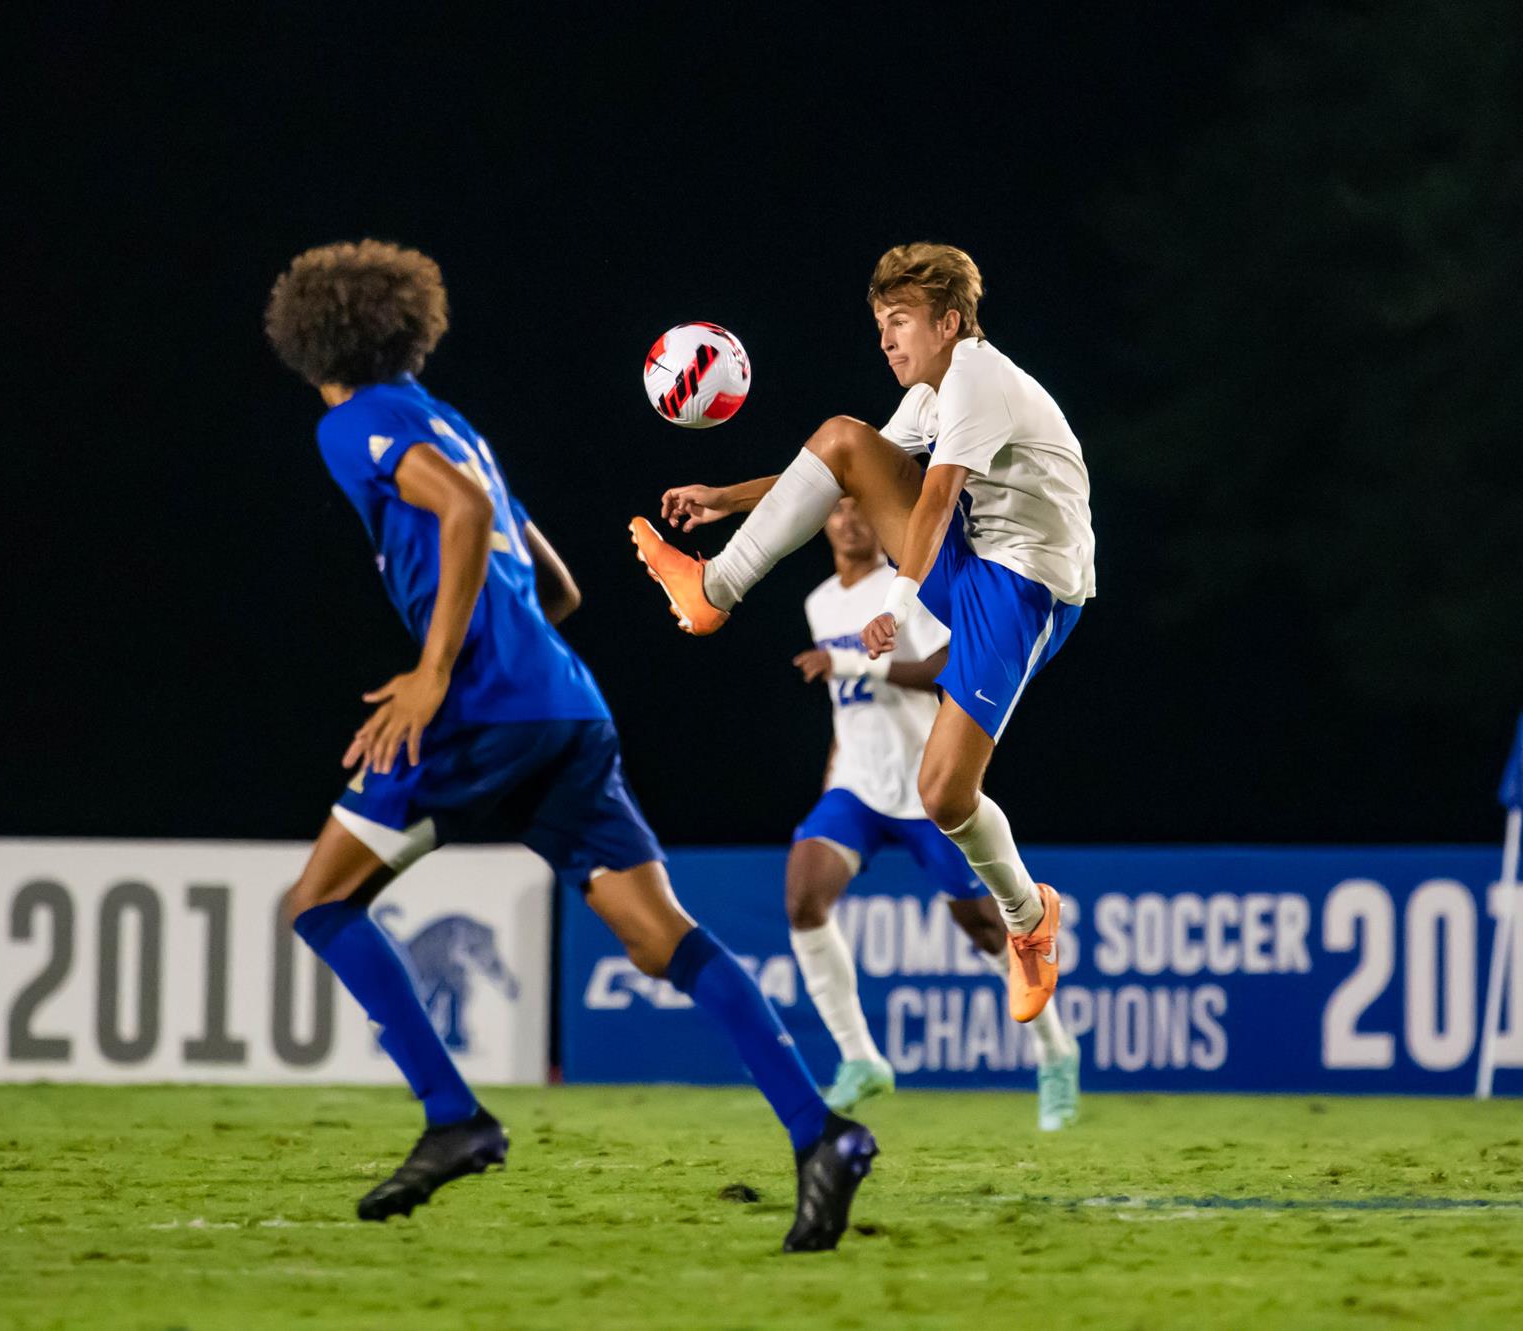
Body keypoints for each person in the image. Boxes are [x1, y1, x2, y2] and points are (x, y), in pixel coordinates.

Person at [264, 239, 872, 1250]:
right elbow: (556, 585)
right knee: (655, 932)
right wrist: (495, 643)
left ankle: (454, 1118)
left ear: (309, 335)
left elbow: (457, 516)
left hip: (478, 706)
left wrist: (431, 670)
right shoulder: (453, 423)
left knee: (319, 901)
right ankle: (821, 1132)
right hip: (561, 704)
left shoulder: (354, 419)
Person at [632, 242, 1095, 1026]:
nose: (885, 339)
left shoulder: (978, 376)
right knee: (846, 437)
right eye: (880, 322)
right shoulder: (930, 392)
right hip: (974, 558)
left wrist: (903, 599)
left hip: (1028, 587)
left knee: (945, 793)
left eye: (901, 321)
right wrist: (728, 498)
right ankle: (714, 586)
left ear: (950, 323)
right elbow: (834, 471)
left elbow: (940, 495)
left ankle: (1028, 918)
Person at [788, 499, 1081, 1129]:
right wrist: (833, 773)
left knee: (982, 929)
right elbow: (848, 707)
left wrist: (849, 662)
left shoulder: (905, 589)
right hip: (858, 786)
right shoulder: (818, 603)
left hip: (923, 784)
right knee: (803, 898)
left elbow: (955, 663)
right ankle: (861, 1059)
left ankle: (1056, 1054)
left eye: (857, 506)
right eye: (835, 510)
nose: (847, 519)